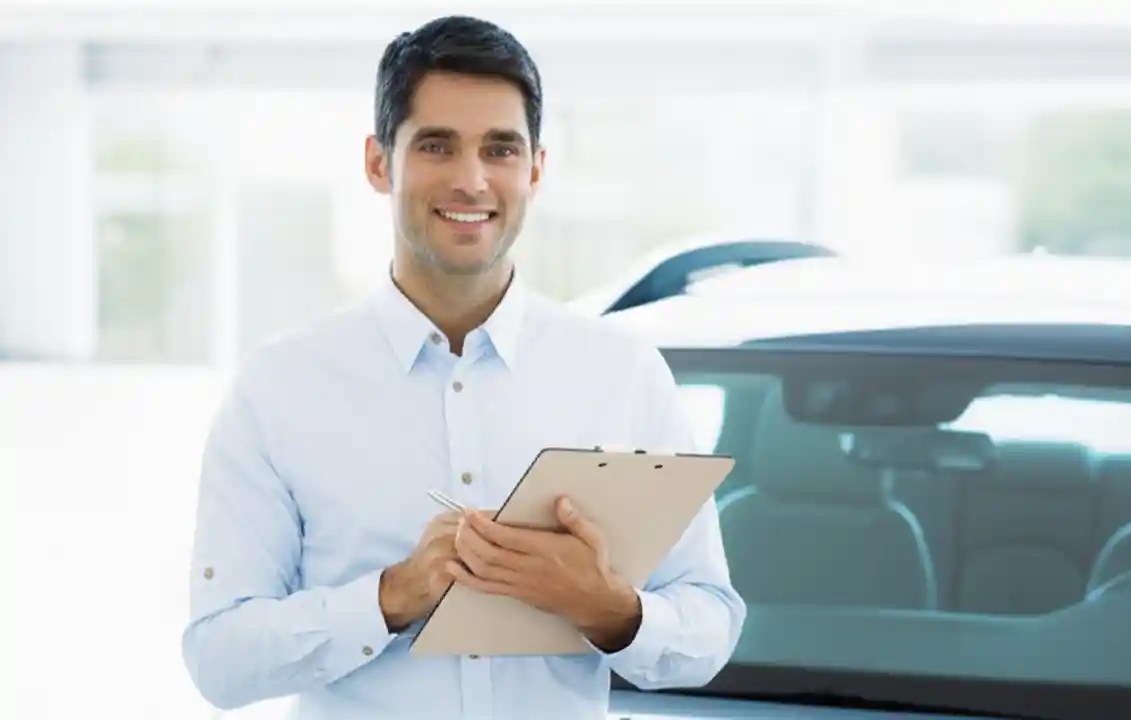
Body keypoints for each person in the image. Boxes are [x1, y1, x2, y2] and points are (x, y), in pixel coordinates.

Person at [180, 14, 746, 720]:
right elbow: (219, 659)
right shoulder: (280, 387)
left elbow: (710, 623)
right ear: (379, 161)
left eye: (500, 149)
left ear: (536, 168)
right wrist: (391, 597)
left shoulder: (622, 373)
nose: (471, 179)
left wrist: (606, 608)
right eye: (437, 146)